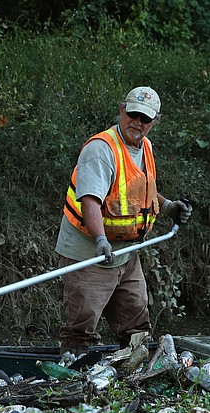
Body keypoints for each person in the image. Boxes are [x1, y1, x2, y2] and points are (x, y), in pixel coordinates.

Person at [55, 86, 192, 356]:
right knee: (82, 328)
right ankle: (73, 377)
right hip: (89, 253)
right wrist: (100, 239)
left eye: (145, 118)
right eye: (133, 114)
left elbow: (141, 191)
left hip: (127, 253)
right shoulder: (101, 149)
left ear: (155, 121)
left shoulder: (145, 147)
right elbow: (90, 201)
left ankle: (134, 374)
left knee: (136, 326)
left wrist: (167, 207)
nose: (137, 122)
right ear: (122, 110)